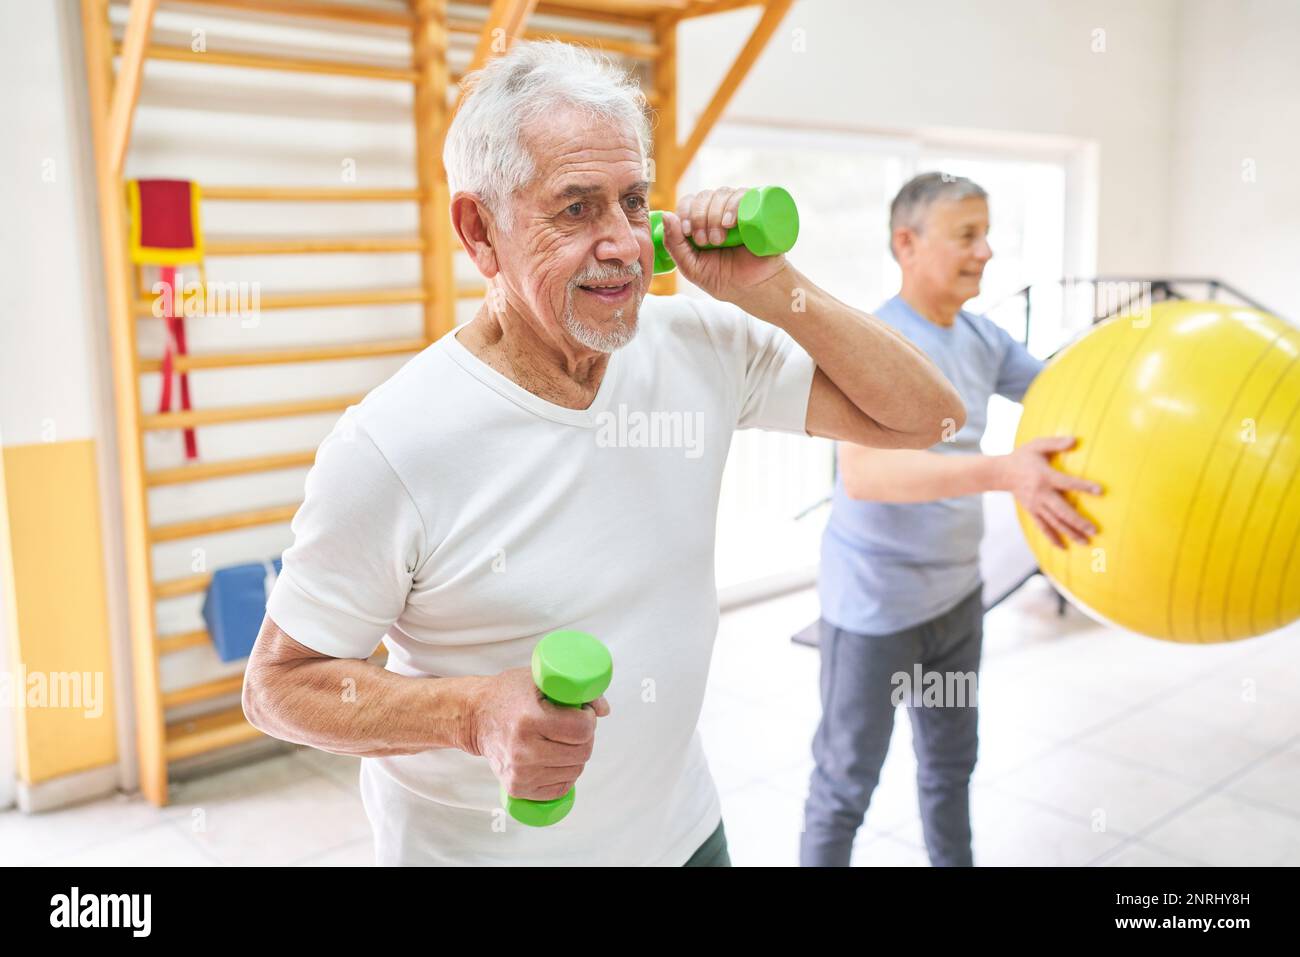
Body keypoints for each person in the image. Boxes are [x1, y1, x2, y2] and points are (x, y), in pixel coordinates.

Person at [241, 41, 964, 866]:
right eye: (576, 209)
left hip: (684, 835)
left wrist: (776, 289)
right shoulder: (392, 443)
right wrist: (471, 712)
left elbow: (928, 417)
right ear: (481, 232)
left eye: (632, 200)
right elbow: (277, 685)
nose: (622, 242)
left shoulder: (700, 344)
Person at [800, 172, 1103, 867]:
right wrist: (1005, 471)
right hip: (874, 614)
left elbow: (1070, 389)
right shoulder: (872, 340)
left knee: (949, 771)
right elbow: (867, 473)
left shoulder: (982, 338)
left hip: (956, 605)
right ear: (907, 243)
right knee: (845, 785)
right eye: (967, 235)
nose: (987, 251)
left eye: (987, 233)